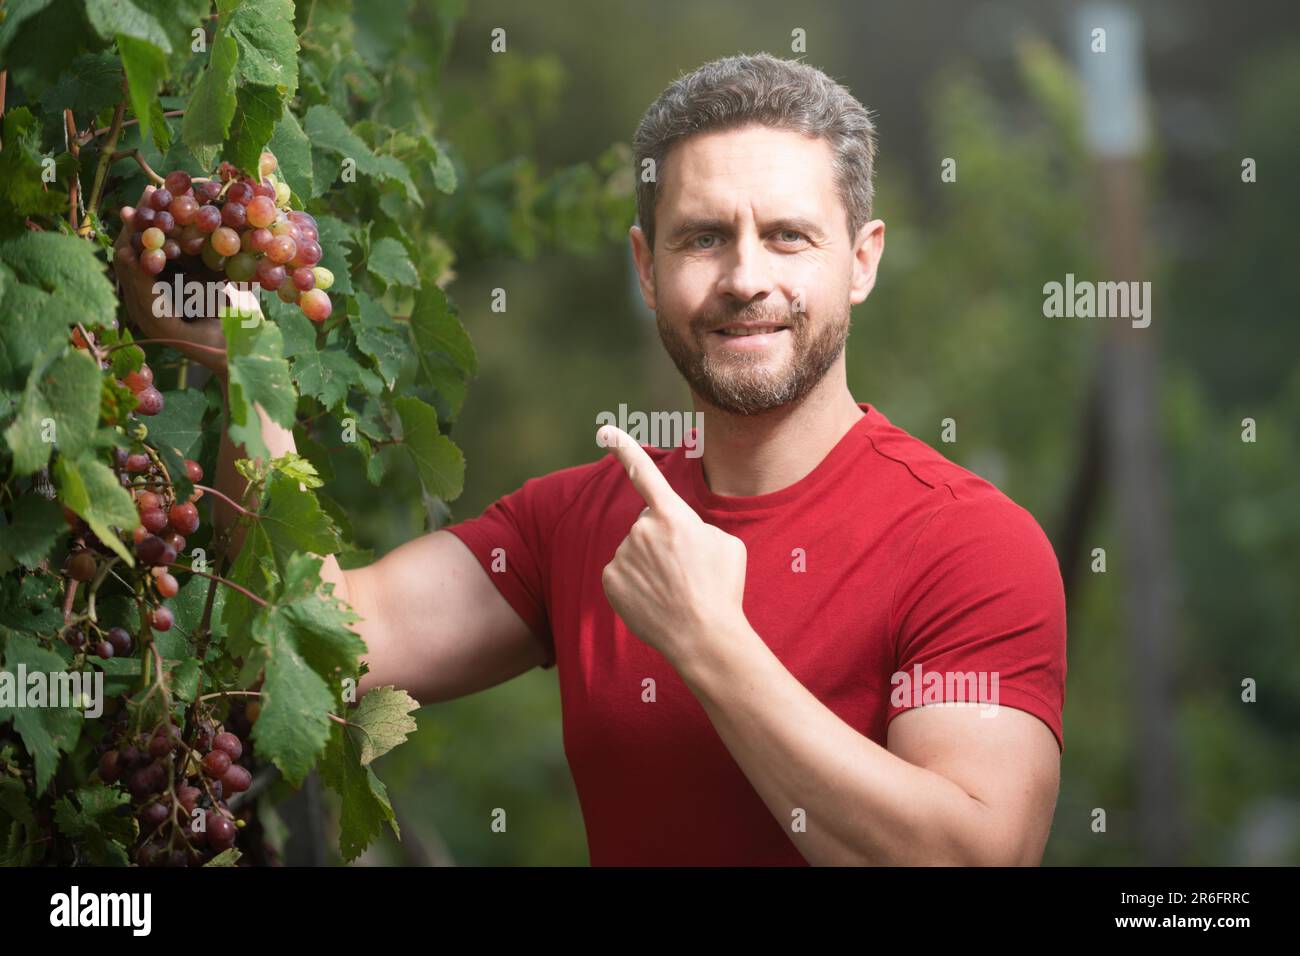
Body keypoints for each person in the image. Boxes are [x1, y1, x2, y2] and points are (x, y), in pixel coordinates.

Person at [115, 52, 1066, 867]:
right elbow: (323, 635)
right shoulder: (580, 521)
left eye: (787, 236)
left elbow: (974, 855)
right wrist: (245, 358)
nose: (745, 277)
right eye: (703, 238)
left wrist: (708, 641)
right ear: (646, 268)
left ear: (860, 260)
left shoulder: (969, 540)